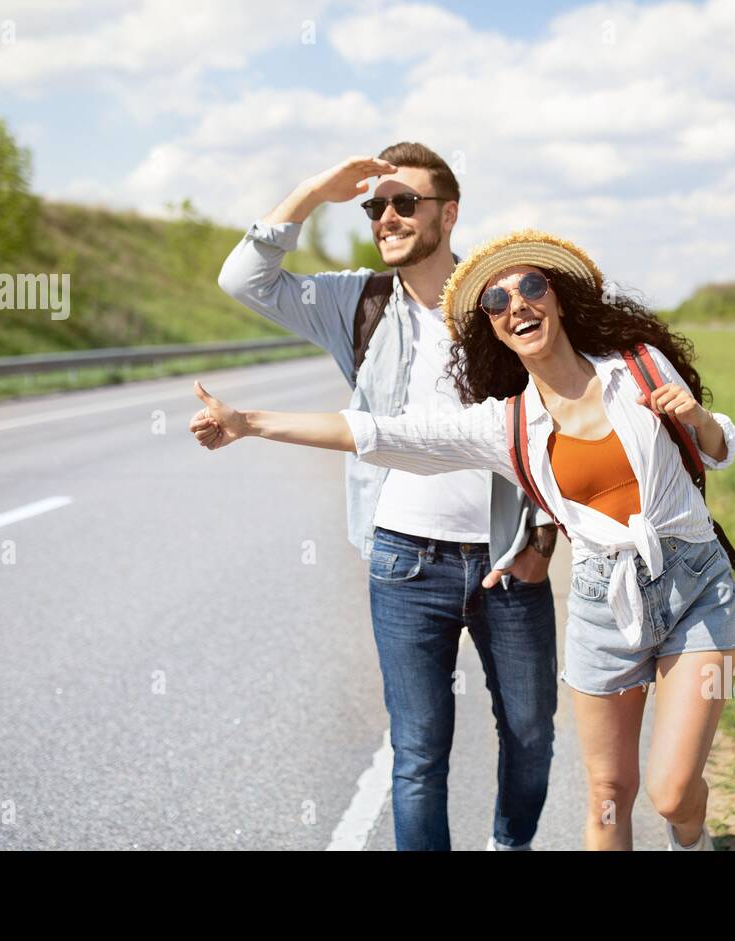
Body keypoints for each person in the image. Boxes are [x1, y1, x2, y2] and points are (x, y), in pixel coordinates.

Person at [194, 229, 735, 851]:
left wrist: (699, 419)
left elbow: (722, 447)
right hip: (602, 601)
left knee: (672, 792)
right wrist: (249, 423)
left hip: (693, 581)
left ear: (558, 298)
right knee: (609, 794)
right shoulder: (504, 423)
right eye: (497, 302)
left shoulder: (638, 367)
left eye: (531, 286)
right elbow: (375, 433)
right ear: (492, 328)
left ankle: (690, 839)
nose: (518, 305)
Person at [214, 144, 559, 852]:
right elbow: (244, 278)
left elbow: (560, 409)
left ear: (449, 212)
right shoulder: (359, 302)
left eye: (406, 203)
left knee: (530, 735)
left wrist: (544, 535)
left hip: (508, 559)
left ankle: (510, 843)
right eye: (377, 206)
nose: (387, 217)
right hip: (405, 562)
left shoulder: (505, 297)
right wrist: (314, 189)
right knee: (418, 753)